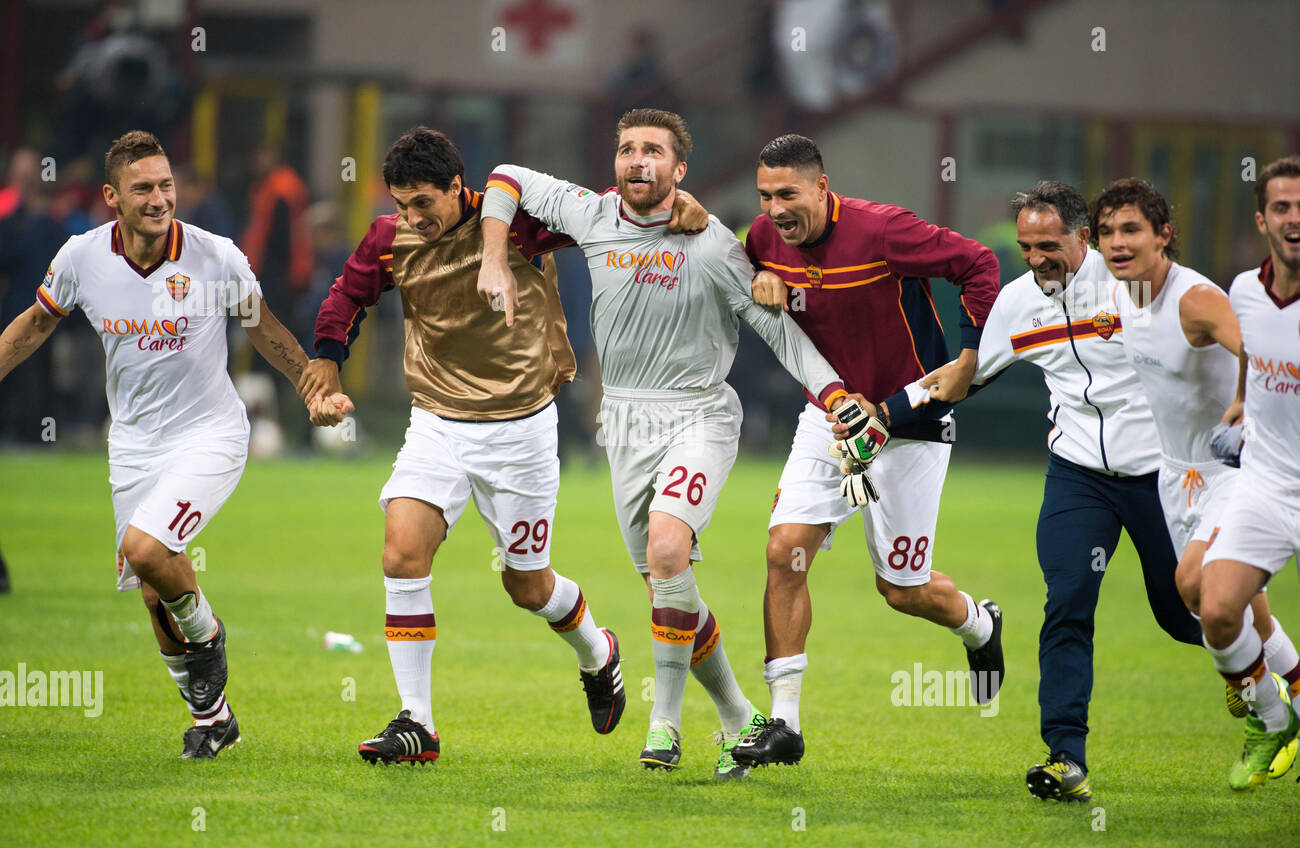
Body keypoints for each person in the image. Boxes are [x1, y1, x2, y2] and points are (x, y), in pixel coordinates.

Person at [476, 109, 855, 778]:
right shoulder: (591, 216)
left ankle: (665, 722)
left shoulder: (711, 243)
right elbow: (505, 177)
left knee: (667, 548)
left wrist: (836, 397)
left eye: (653, 150)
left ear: (680, 170)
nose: (636, 160)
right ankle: (740, 717)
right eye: (626, 149)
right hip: (623, 422)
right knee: (668, 581)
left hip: (699, 415)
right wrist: (494, 259)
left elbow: (782, 334)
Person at [301, 126, 670, 765]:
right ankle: (417, 723)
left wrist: (661, 206)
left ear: (458, 187)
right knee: (401, 555)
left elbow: (599, 210)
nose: (411, 218)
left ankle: (599, 652)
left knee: (526, 587)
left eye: (423, 203)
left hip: (520, 429)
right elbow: (346, 296)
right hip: (437, 424)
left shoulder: (519, 225)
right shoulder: (392, 239)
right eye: (400, 204)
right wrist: (328, 363)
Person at [0, 129, 329, 757]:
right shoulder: (81, 258)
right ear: (111, 198)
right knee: (154, 592)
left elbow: (262, 327)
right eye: (143, 188)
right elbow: (36, 323)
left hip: (209, 434)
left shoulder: (216, 256)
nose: (159, 198)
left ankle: (208, 637)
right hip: (132, 445)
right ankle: (214, 721)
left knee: (147, 549)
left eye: (166, 185)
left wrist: (311, 385)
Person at [920, 180, 1203, 801]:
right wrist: (888, 410)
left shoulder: (1142, 285)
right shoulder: (1019, 301)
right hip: (1077, 477)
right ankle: (1065, 757)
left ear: (1084, 237)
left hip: (1160, 476)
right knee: (1068, 601)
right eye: (1025, 246)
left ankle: (1263, 670)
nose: (1036, 258)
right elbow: (968, 375)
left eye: (1048, 244)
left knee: (1182, 615)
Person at [729, 134, 1004, 768]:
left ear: (823, 188)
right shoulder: (765, 241)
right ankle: (785, 725)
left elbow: (980, 264)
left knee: (902, 590)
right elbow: (750, 270)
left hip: (912, 421)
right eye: (765, 195)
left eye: (788, 194)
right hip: (829, 417)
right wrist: (764, 276)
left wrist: (967, 358)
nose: (774, 209)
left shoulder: (884, 231)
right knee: (784, 551)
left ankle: (980, 624)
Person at [1092, 176, 1300, 790]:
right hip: (1173, 477)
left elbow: (1260, 352)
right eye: (1107, 232)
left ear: (1164, 235)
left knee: (1196, 585)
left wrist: (1242, 404)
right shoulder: (1121, 290)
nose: (1117, 242)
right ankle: (1286, 692)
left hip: (1233, 472)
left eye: (1131, 229)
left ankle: (1264, 713)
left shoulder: (1195, 300)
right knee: (1229, 606)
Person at [1201, 156, 1300, 790]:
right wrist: (1240, 402)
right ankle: (1272, 719)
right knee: (1214, 608)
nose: (1296, 218)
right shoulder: (1242, 290)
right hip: (1267, 486)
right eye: (1284, 207)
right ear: (1263, 219)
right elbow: (1255, 359)